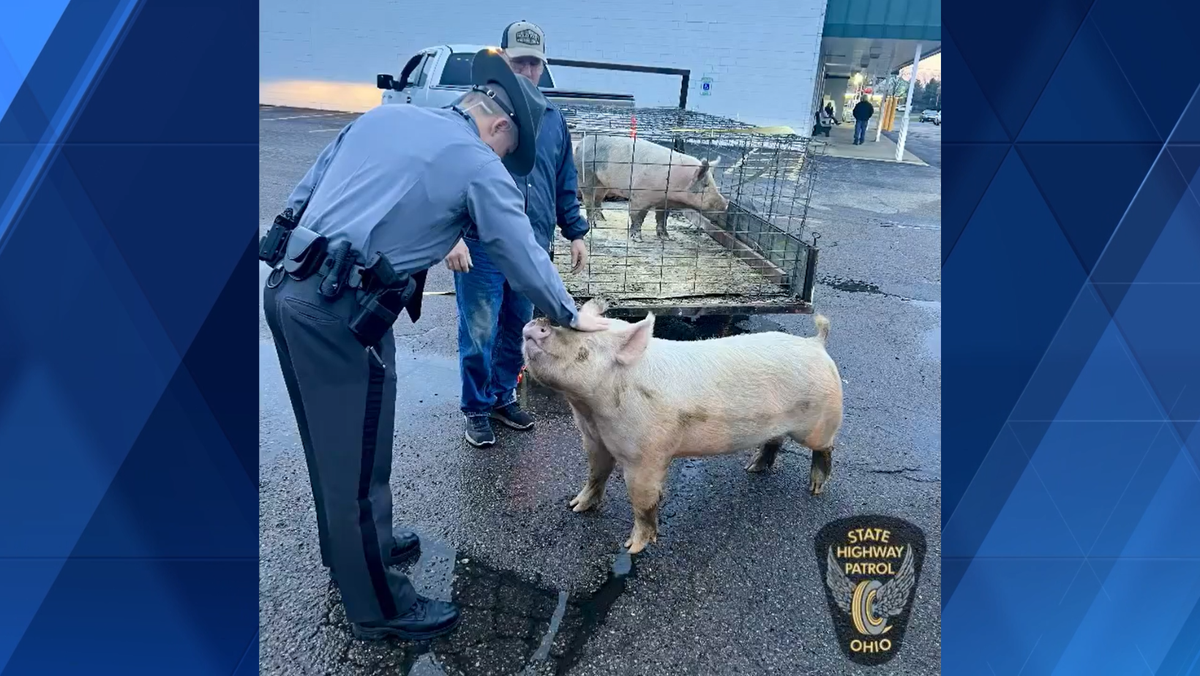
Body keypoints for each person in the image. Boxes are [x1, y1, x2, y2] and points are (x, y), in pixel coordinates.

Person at [261, 49, 609, 642]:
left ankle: (357, 547)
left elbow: (304, 190)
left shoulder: (383, 118)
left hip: (293, 288)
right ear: (500, 127)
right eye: (508, 151)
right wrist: (570, 315)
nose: (505, 162)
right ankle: (379, 607)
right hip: (340, 314)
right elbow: (521, 252)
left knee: (341, 449)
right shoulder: (477, 162)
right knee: (355, 461)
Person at [443, 20, 589, 448]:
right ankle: (476, 407)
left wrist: (575, 231)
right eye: (519, 62)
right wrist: (449, 237)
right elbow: (449, 177)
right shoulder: (478, 114)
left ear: (543, 68)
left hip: (532, 245)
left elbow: (564, 178)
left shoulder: (552, 119)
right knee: (480, 328)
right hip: (482, 245)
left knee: (518, 327)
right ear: (504, 62)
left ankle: (503, 397)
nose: (527, 72)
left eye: (535, 64)